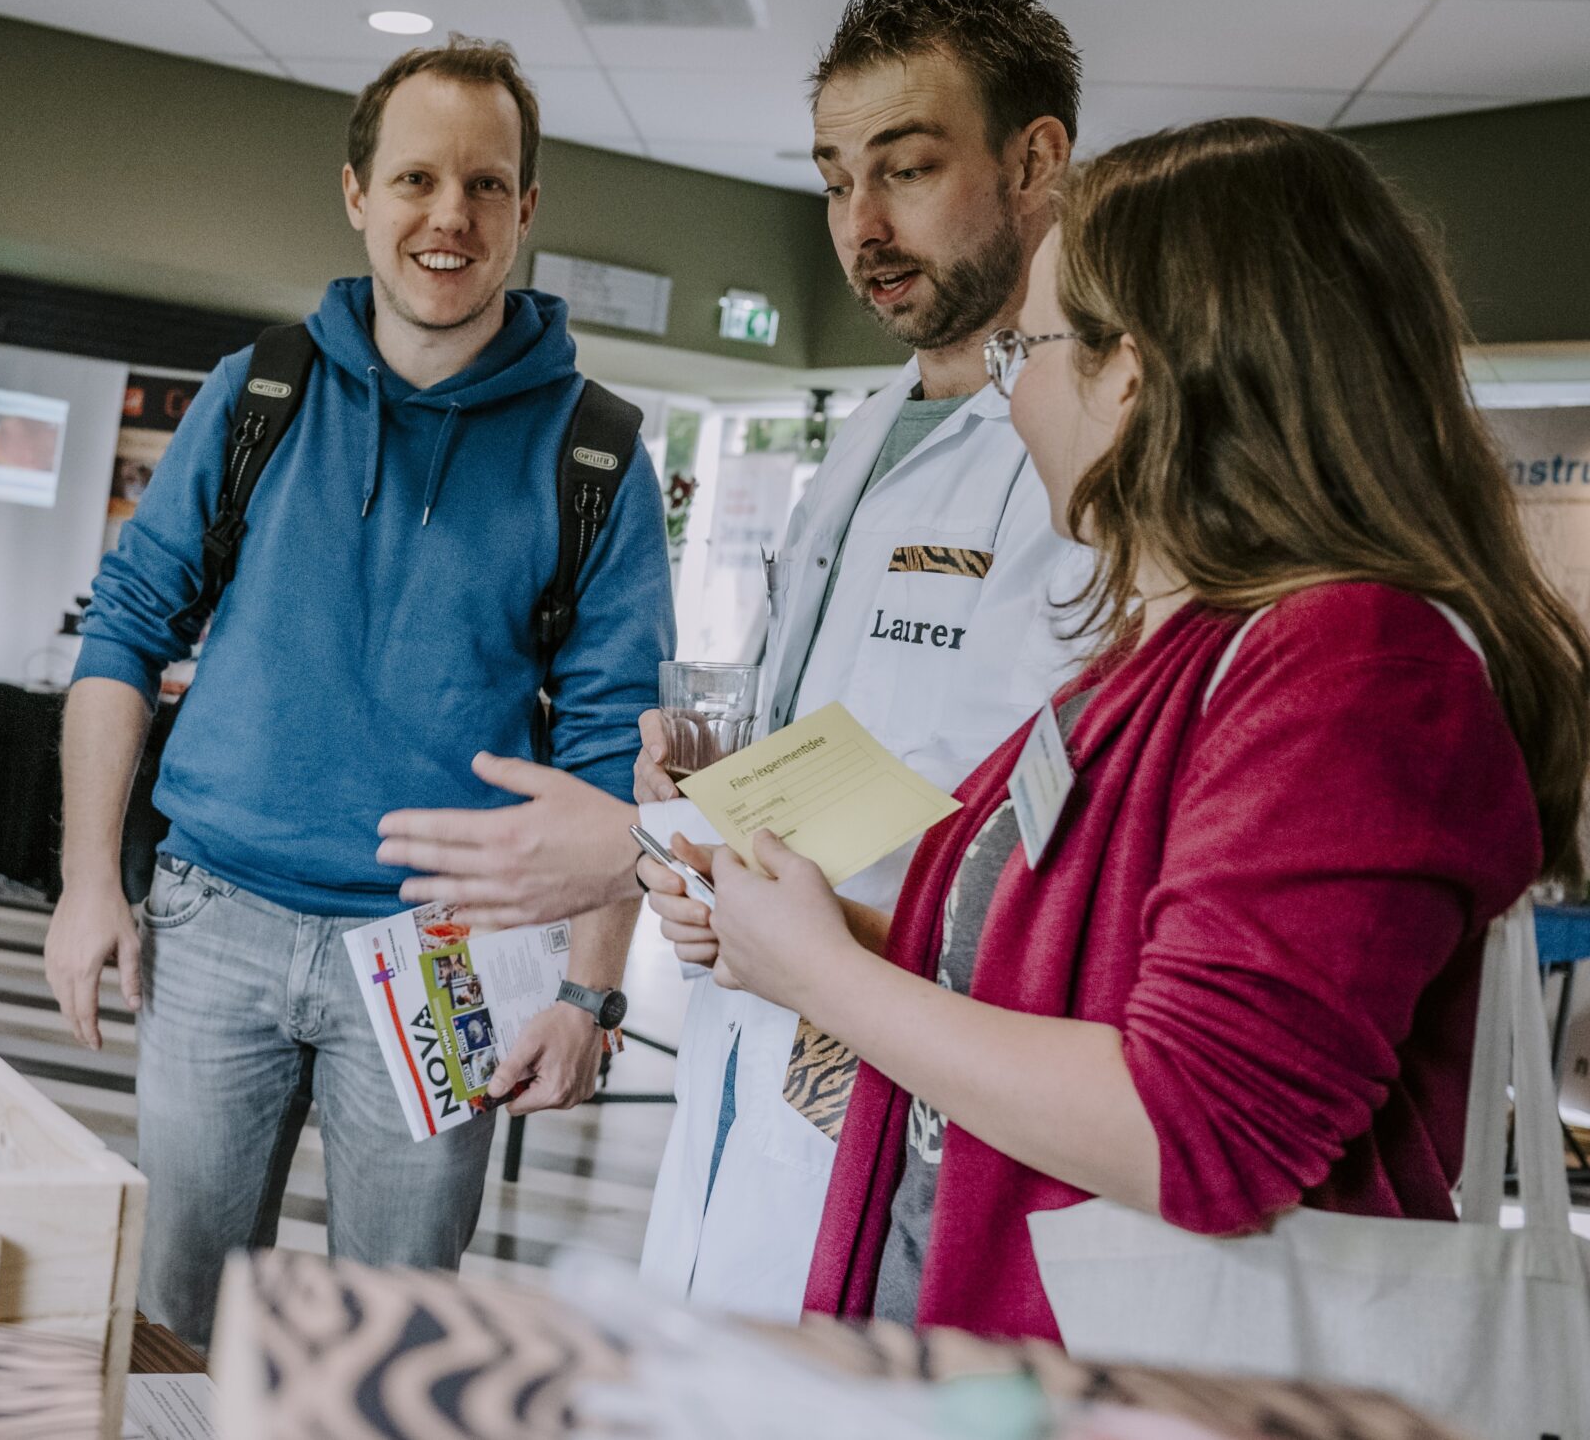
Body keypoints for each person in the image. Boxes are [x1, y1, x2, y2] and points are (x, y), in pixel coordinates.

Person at [670, 116, 1590, 1340]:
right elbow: (1086, 991)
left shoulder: (1362, 670)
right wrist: (810, 931)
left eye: (1027, 355)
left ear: (1135, 371)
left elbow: (1198, 1130)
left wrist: (825, 977)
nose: (1012, 405)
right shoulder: (1176, 655)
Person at [376, 0, 1089, 1320]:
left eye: (907, 168)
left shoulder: (1086, 464)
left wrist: (643, 847)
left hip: (918, 1091)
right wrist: (708, 776)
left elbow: (1008, 842)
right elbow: (848, 744)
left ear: (1034, 158)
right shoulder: (865, 438)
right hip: (754, 1039)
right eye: (833, 179)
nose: (859, 225)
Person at [44, 36, 674, 1348]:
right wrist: (87, 877)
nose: (450, 215)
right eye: (417, 179)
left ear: (526, 210)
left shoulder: (596, 449)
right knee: (176, 1313)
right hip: (215, 915)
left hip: (447, 946)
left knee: (393, 1328)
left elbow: (616, 742)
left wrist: (591, 988)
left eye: (487, 185)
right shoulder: (260, 392)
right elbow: (122, 630)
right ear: (357, 194)